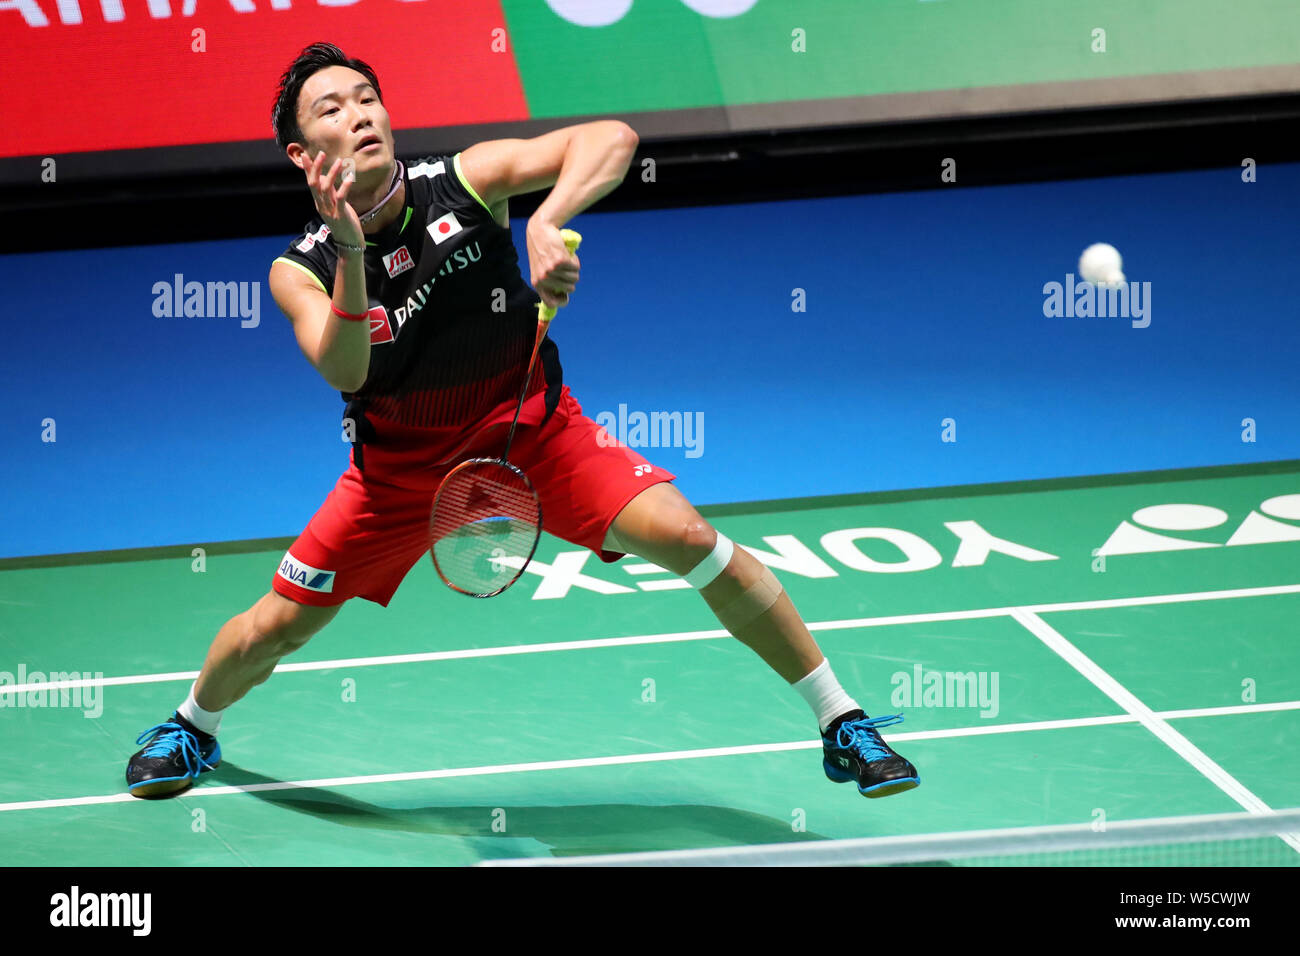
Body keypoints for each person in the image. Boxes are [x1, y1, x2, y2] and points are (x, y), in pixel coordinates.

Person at [125, 42, 919, 803]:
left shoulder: (467, 181)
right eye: (332, 109)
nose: (360, 115)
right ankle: (195, 725)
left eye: (368, 98)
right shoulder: (300, 268)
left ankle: (842, 721)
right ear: (303, 154)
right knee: (272, 631)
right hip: (397, 478)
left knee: (690, 539)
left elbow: (611, 138)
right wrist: (352, 251)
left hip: (532, 432)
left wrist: (550, 217)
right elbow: (347, 369)